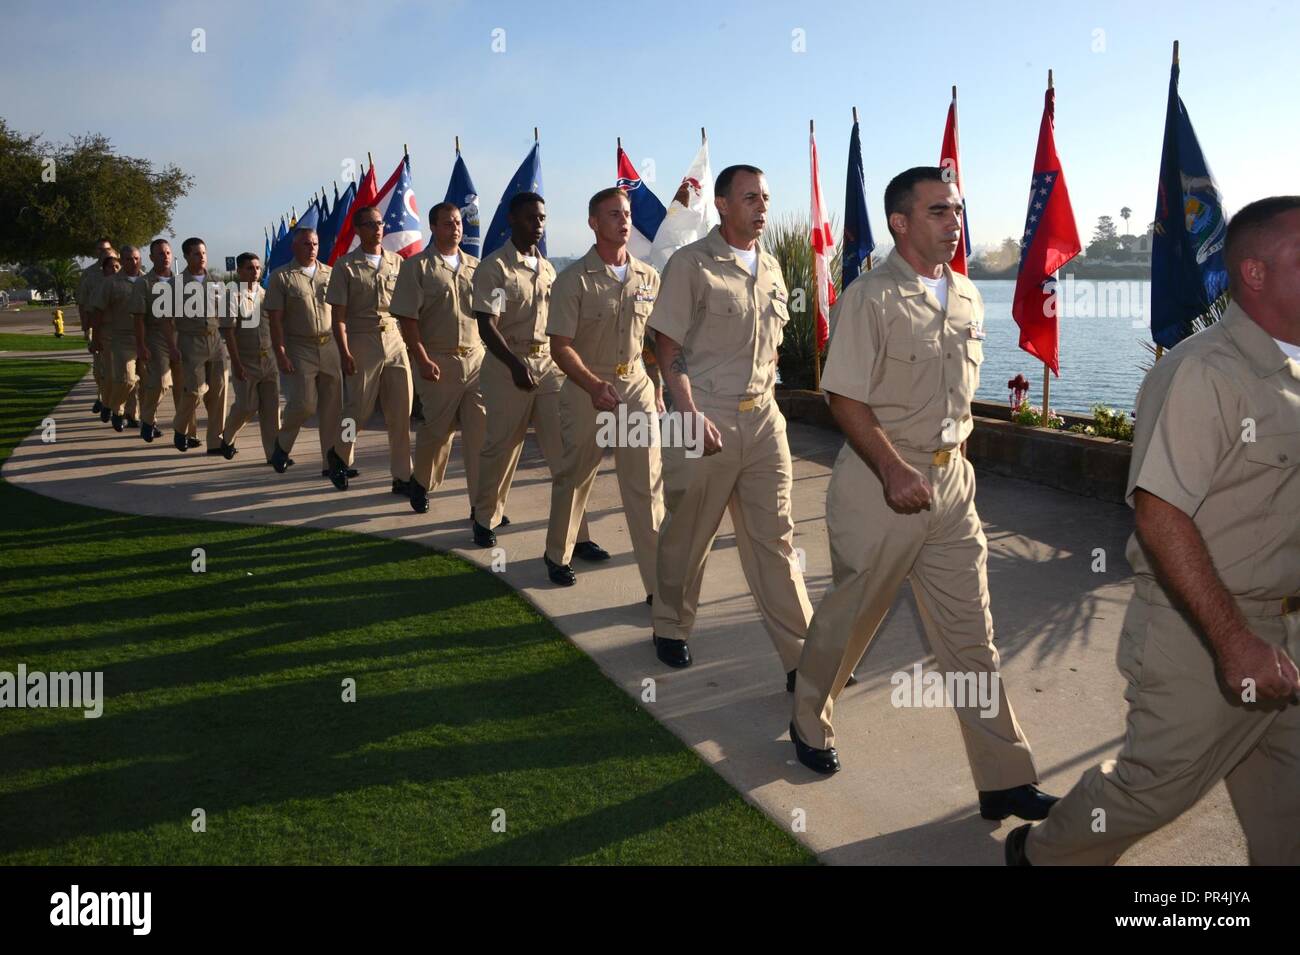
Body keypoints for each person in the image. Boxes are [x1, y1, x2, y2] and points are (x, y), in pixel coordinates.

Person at [1008, 195, 1300, 866]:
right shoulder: (1204, 372)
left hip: (1287, 628)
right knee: (1154, 789)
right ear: (1253, 273)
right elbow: (1160, 512)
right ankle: (1041, 855)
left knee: (1290, 807)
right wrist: (1234, 642)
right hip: (1206, 632)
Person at [788, 167, 1053, 826]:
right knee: (850, 616)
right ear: (900, 223)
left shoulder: (967, 295)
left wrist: (954, 464)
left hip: (951, 489)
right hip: (881, 485)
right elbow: (843, 395)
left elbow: (955, 397)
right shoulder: (869, 298)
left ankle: (1005, 777)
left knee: (973, 638)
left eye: (957, 209)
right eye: (938, 210)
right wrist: (893, 468)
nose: (953, 221)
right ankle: (808, 717)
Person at [645, 165, 811, 677]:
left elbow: (771, 344)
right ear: (720, 204)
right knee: (690, 535)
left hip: (764, 420)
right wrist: (689, 414)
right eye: (748, 198)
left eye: (765, 197)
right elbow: (665, 343)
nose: (761, 207)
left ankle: (805, 657)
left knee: (776, 539)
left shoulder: (773, 268)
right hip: (704, 417)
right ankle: (670, 624)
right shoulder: (691, 265)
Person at [469, 191, 606, 560]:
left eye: (542, 218)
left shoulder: (547, 269)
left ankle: (576, 535)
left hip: (547, 367)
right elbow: (486, 324)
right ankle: (484, 518)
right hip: (506, 366)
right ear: (512, 220)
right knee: (501, 447)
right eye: (530, 218)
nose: (538, 224)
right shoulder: (495, 268)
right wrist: (515, 366)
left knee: (566, 452)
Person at [544, 187, 665, 595]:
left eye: (627, 213)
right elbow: (560, 345)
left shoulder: (648, 278)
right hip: (585, 390)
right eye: (613, 214)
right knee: (575, 477)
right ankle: (558, 553)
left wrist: (660, 388)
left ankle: (658, 585)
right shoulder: (572, 280)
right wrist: (593, 385)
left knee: (646, 489)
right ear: (593, 223)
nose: (624, 220)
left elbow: (656, 342)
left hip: (636, 390)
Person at [392, 202, 487, 516]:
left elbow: (489, 317)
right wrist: (421, 359)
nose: (455, 228)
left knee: (479, 437)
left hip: (476, 362)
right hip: (437, 361)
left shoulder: (477, 267)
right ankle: (420, 480)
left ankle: (481, 508)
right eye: (447, 223)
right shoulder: (416, 267)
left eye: (458, 223)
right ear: (433, 227)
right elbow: (408, 319)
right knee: (437, 430)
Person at [327, 205, 414, 495]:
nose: (377, 228)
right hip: (361, 339)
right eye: (370, 224)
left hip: (394, 340)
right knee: (359, 410)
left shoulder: (397, 263)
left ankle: (402, 476)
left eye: (379, 223)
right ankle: (340, 453)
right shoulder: (345, 266)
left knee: (401, 413)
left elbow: (407, 309)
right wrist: (345, 352)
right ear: (358, 229)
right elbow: (338, 316)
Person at [266, 228, 340, 478]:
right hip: (300, 347)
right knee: (305, 405)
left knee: (334, 409)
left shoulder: (330, 273)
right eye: (307, 244)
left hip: (330, 346)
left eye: (316, 244)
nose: (312, 248)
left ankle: (333, 464)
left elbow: (341, 314)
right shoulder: (281, 277)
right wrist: (281, 352)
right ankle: (282, 446)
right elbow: (275, 320)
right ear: (295, 247)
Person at [168, 237, 229, 455]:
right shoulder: (175, 284)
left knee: (219, 392)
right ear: (185, 256)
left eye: (203, 253)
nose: (201, 257)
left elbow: (224, 315)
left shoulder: (217, 281)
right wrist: (171, 347)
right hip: (190, 341)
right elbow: (167, 321)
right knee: (195, 391)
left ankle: (216, 442)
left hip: (215, 341)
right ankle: (180, 428)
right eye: (196, 253)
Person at [220, 253, 280, 463]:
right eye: (248, 268)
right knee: (246, 406)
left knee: (272, 410)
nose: (254, 272)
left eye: (257, 268)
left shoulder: (265, 295)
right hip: (245, 360)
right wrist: (236, 364)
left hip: (268, 360)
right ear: (239, 271)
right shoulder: (232, 296)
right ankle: (227, 436)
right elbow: (228, 332)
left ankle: (274, 454)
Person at [87, 245, 147, 432]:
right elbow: (96, 312)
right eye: (128, 259)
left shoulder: (148, 281)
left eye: (136, 258)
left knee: (145, 383)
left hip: (146, 338)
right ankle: (115, 408)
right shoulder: (111, 283)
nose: (133, 262)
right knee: (126, 379)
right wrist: (94, 338)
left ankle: (137, 417)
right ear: (122, 261)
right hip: (119, 338)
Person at [130, 239, 176, 442]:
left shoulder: (181, 282)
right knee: (160, 382)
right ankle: (148, 420)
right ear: (151, 258)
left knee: (187, 387)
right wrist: (140, 345)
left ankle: (185, 431)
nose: (164, 256)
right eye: (159, 253)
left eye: (167, 253)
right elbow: (138, 317)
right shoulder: (143, 283)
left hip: (181, 335)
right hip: (155, 336)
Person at [78, 237, 115, 416]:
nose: (103, 253)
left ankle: (117, 404)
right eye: (99, 250)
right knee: (100, 366)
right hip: (96, 325)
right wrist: (86, 327)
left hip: (121, 328)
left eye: (106, 249)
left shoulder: (120, 270)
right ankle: (102, 396)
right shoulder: (89, 274)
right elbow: (83, 302)